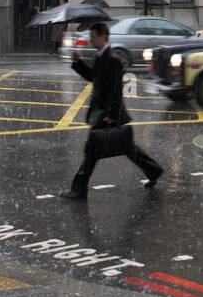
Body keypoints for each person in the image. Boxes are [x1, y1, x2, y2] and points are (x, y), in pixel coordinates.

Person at [64, 21, 163, 199]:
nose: (92, 41)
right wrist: (78, 63)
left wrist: (110, 114)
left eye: (94, 37)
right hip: (103, 113)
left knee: (92, 153)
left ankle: (78, 190)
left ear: (103, 36)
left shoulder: (113, 59)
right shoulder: (101, 57)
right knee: (128, 150)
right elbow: (94, 78)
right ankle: (154, 171)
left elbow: (116, 92)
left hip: (106, 114)